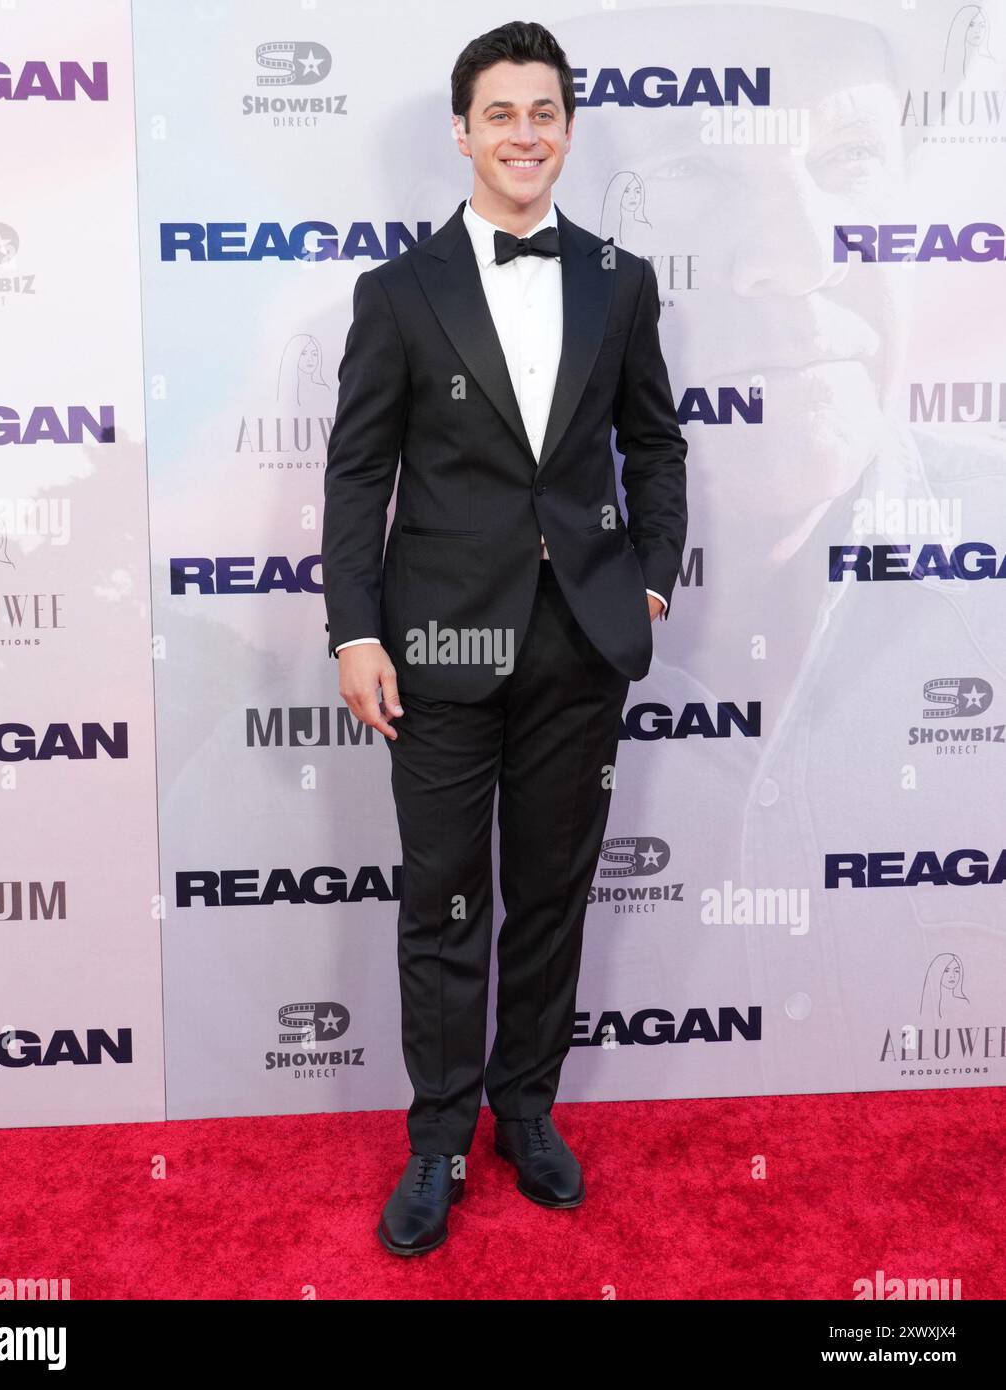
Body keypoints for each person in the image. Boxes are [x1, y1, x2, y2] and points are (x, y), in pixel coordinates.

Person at [321, 19, 688, 1255]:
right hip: (436, 640)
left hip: (576, 637)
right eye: (500, 114)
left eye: (544, 113)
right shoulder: (398, 291)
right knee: (439, 899)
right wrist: (352, 631)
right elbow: (356, 469)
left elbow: (656, 442)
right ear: (463, 133)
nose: (523, 134)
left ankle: (524, 1109)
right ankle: (435, 1139)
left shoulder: (618, 280)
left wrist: (647, 580)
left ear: (567, 130)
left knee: (550, 891)